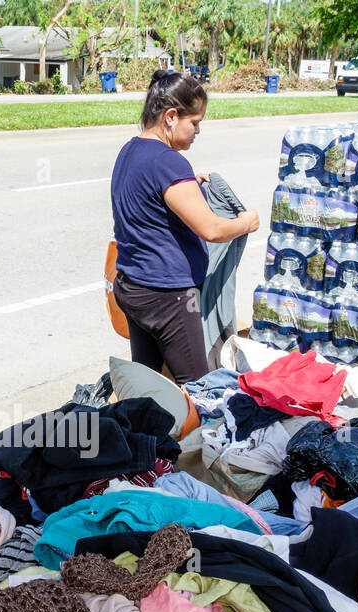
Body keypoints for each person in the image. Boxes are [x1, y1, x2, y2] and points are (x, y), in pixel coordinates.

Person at [110, 70, 260, 384]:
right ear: (171, 117)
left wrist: (189, 185)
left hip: (132, 287)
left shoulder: (131, 150)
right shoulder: (169, 162)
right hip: (168, 299)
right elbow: (212, 230)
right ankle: (190, 433)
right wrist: (245, 223)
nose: (198, 131)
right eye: (195, 122)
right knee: (199, 387)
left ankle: (150, 430)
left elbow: (150, 199)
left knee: (151, 384)